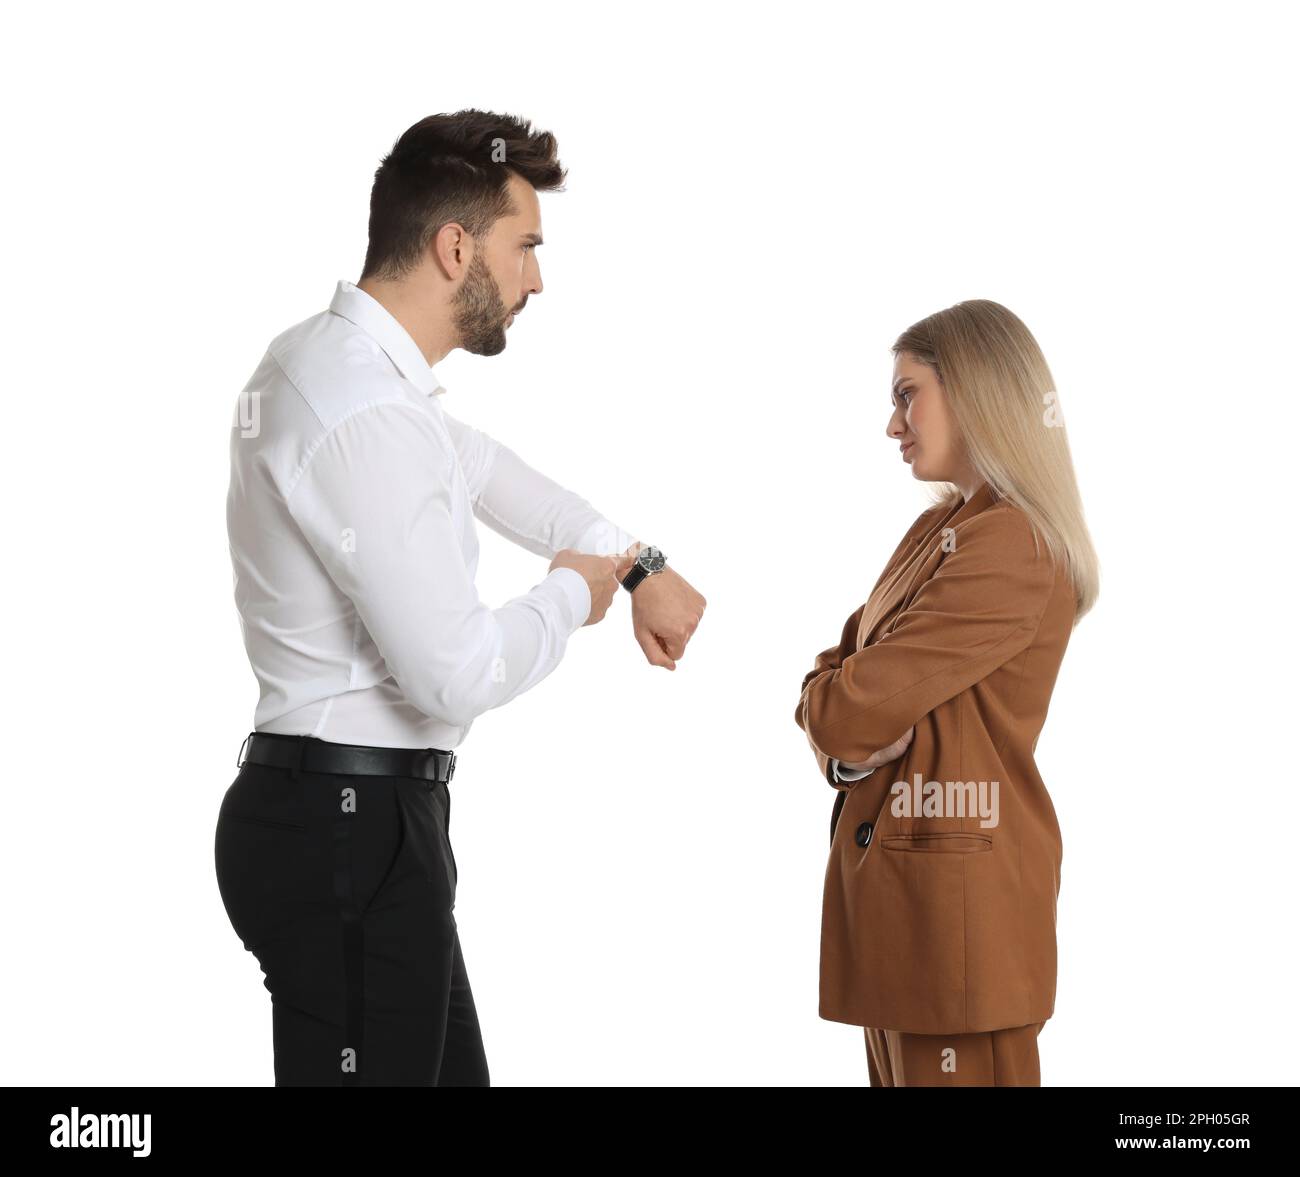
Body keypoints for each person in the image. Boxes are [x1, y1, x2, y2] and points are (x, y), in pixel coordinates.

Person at [217, 110, 706, 1086]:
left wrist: (637, 562)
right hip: (348, 829)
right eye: (524, 246)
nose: (536, 279)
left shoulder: (353, 377)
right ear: (454, 247)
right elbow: (454, 673)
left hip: (359, 825)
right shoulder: (365, 415)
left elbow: (495, 477)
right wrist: (574, 593)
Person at [795, 300, 1098, 1086]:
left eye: (907, 394)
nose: (893, 424)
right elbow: (835, 679)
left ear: (974, 390)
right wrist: (846, 742)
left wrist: (842, 715)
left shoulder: (1012, 544)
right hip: (908, 918)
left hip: (960, 930)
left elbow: (845, 702)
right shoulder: (941, 530)